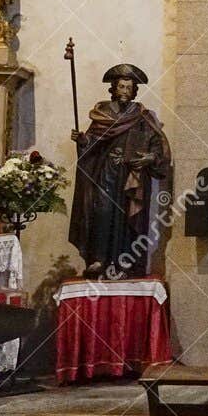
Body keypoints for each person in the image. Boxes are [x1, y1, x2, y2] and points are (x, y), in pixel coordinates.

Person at [68, 63, 172, 278]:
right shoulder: (102, 115)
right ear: (113, 89)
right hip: (105, 174)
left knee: (127, 219)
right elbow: (93, 146)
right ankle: (99, 259)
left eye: (129, 88)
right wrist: (83, 141)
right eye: (121, 87)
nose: (125, 91)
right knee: (102, 213)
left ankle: (125, 263)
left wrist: (151, 157)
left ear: (134, 91)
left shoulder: (143, 116)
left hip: (132, 177)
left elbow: (157, 146)